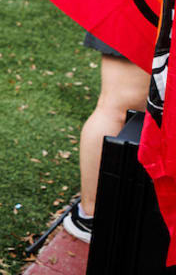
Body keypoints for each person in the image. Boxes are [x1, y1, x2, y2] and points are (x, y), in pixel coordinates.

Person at [63, 31, 149, 242]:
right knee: (120, 106)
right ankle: (90, 214)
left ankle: (93, 212)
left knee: (125, 107)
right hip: (150, 7)